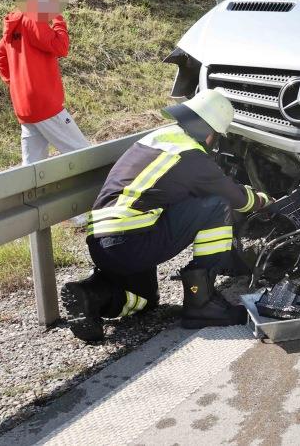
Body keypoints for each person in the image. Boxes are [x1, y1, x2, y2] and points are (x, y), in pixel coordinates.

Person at [61, 89, 271, 342]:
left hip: (103, 243)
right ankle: (201, 302)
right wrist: (263, 200)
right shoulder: (192, 156)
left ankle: (92, 295)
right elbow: (237, 200)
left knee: (145, 301)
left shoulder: (160, 138)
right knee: (218, 206)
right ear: (211, 134)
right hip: (132, 241)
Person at [0, 0, 89, 165]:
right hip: (44, 103)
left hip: (25, 106)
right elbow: (61, 47)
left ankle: (31, 196)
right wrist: (59, 20)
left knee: (32, 169)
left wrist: (16, 83)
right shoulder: (33, 19)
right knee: (85, 156)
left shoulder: (14, 23)